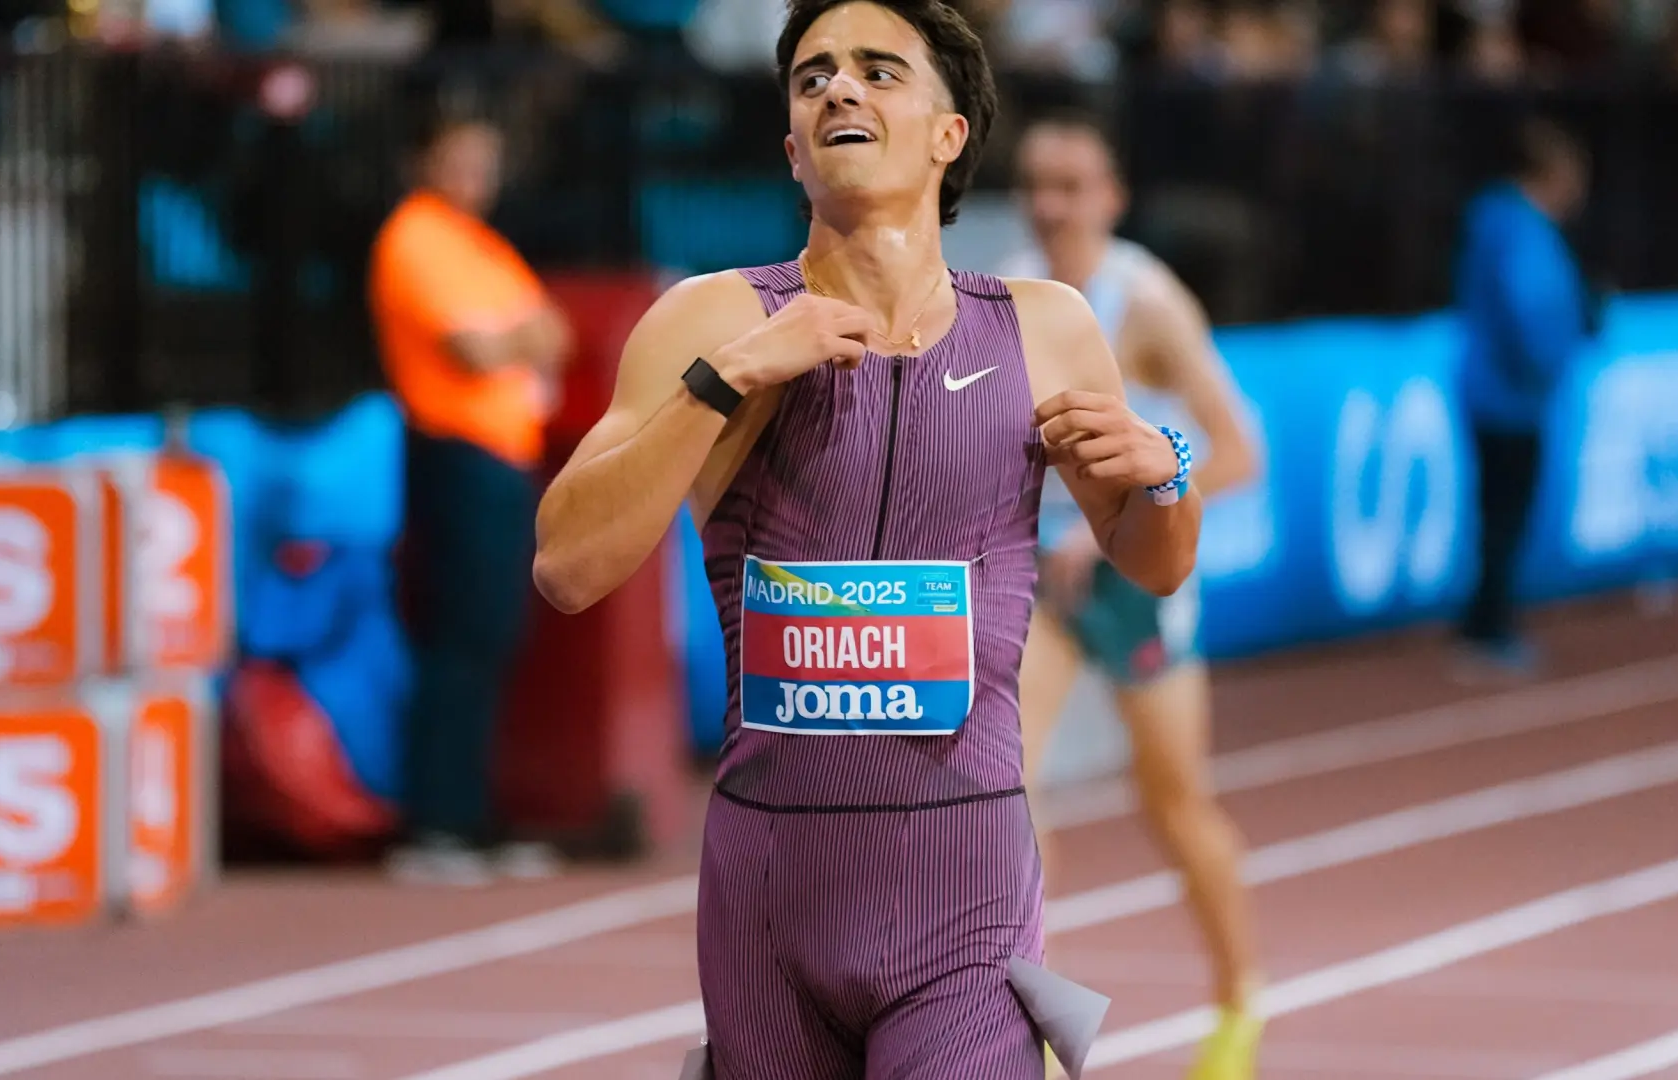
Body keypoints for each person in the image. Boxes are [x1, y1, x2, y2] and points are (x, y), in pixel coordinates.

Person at [531, 2, 1202, 1075]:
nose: (839, 88)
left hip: (965, 883)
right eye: (812, 78)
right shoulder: (710, 322)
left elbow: (1155, 563)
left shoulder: (1046, 325)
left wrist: (1167, 472)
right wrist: (737, 373)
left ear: (951, 134)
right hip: (769, 897)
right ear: (792, 148)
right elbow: (567, 567)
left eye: (879, 72)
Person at [1001, 110, 1266, 1080]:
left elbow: (1235, 450)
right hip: (1044, 582)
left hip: (1137, 581)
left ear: (1111, 197)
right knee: (1006, 794)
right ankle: (1019, 1017)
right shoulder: (1012, 296)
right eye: (1037, 183)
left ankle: (1240, 999)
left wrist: (1128, 500)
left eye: (1073, 187)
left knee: (1175, 804)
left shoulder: (1145, 302)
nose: (1051, 204)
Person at [369, 114, 575, 886]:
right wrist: (514, 338)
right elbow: (479, 346)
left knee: (491, 637)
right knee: (459, 638)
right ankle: (434, 824)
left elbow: (551, 333)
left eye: (485, 163)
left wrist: (513, 338)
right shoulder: (417, 237)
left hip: (502, 458)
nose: (474, 176)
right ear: (421, 159)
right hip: (457, 455)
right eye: (458, 159)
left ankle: (470, 816)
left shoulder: (479, 245)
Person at [1452, 116, 1593, 679]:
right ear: (1554, 175)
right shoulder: (1523, 231)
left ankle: (1484, 621)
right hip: (1509, 396)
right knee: (1506, 512)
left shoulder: (1502, 223)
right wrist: (1550, 359)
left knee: (1499, 511)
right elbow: (1529, 311)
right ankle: (1489, 626)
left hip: (1497, 389)